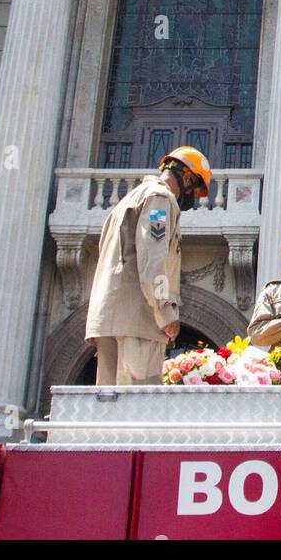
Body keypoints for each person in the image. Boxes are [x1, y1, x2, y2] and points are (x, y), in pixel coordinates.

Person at [85, 146, 211, 385]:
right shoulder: (159, 200)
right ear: (186, 177)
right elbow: (152, 257)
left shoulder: (127, 200)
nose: (193, 198)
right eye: (194, 188)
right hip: (138, 321)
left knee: (109, 408)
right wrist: (164, 310)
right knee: (138, 406)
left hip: (108, 320)